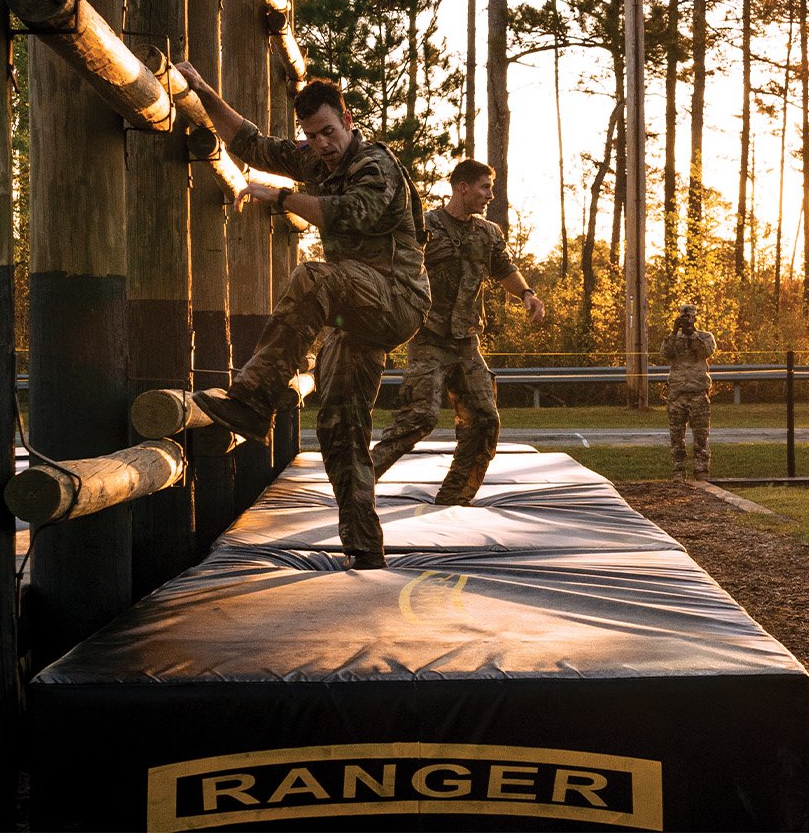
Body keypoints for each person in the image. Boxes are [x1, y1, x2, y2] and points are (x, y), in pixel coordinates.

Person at [177, 66, 430, 570]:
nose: (322, 145)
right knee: (340, 426)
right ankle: (365, 546)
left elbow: (350, 214)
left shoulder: (373, 164)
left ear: (349, 122)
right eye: (313, 137)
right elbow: (251, 144)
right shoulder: (315, 158)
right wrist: (204, 92)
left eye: (329, 133)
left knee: (313, 276)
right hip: (352, 314)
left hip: (396, 300)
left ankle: (254, 399)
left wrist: (282, 196)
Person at [369, 159, 546, 504]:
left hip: (466, 342)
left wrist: (527, 294)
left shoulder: (488, 233)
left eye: (490, 188)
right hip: (429, 338)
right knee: (419, 416)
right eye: (484, 187)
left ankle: (454, 498)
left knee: (484, 419)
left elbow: (504, 269)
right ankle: (361, 482)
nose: (490, 196)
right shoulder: (426, 226)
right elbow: (392, 265)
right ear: (462, 187)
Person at [660, 305, 717, 479]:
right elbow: (665, 353)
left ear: (695, 319)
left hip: (698, 392)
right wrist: (674, 331)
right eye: (683, 318)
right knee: (676, 435)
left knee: (701, 434)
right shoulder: (672, 338)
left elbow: (706, 352)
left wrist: (692, 334)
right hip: (677, 393)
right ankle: (678, 469)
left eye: (689, 318)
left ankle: (701, 470)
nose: (686, 321)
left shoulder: (705, 337)